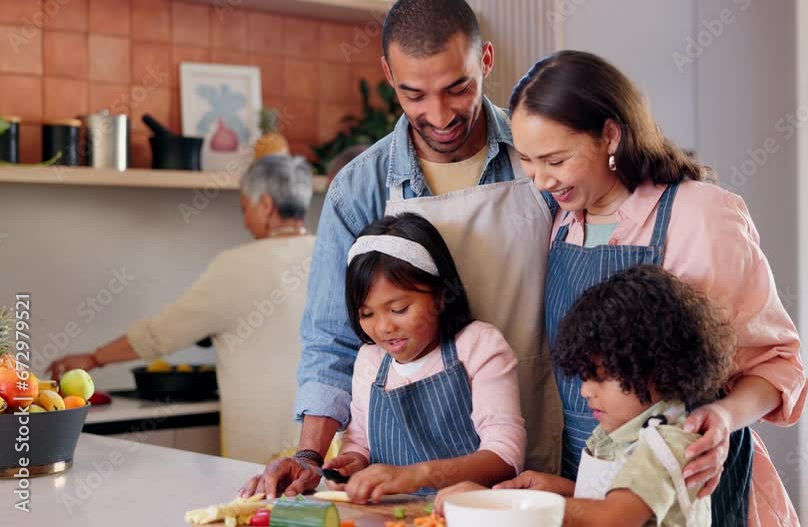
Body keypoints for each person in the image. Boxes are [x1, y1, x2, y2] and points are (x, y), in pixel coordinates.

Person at [241, 0, 561, 499]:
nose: (439, 115)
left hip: (533, 451)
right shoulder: (358, 188)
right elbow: (331, 341)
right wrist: (310, 456)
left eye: (458, 87)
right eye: (414, 94)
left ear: (486, 61)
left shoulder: (539, 156)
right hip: (399, 492)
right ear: (388, 75)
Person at [506, 50, 808, 526]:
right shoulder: (562, 222)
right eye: (527, 160)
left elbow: (778, 364)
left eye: (555, 160)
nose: (542, 180)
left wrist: (725, 417)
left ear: (610, 134)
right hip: (589, 475)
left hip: (691, 476)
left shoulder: (701, 215)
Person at [47, 155, 317, 464]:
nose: (244, 221)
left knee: (257, 511)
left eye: (244, 208)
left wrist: (94, 358)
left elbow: (162, 334)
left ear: (266, 206)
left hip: (262, 446)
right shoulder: (332, 255)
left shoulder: (236, 266)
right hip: (327, 440)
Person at [438, 265, 735, 526]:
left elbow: (612, 517)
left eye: (600, 378)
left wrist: (496, 505)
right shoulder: (614, 434)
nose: (585, 391)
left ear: (655, 368)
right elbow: (617, 495)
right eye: (584, 377)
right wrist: (560, 488)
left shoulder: (668, 441)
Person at [321, 213, 525, 502]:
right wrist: (353, 461)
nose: (383, 327)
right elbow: (360, 441)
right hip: (391, 517)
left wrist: (416, 476)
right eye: (367, 314)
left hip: (470, 513)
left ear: (440, 297)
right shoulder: (370, 360)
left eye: (399, 309)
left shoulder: (478, 345)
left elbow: (505, 455)